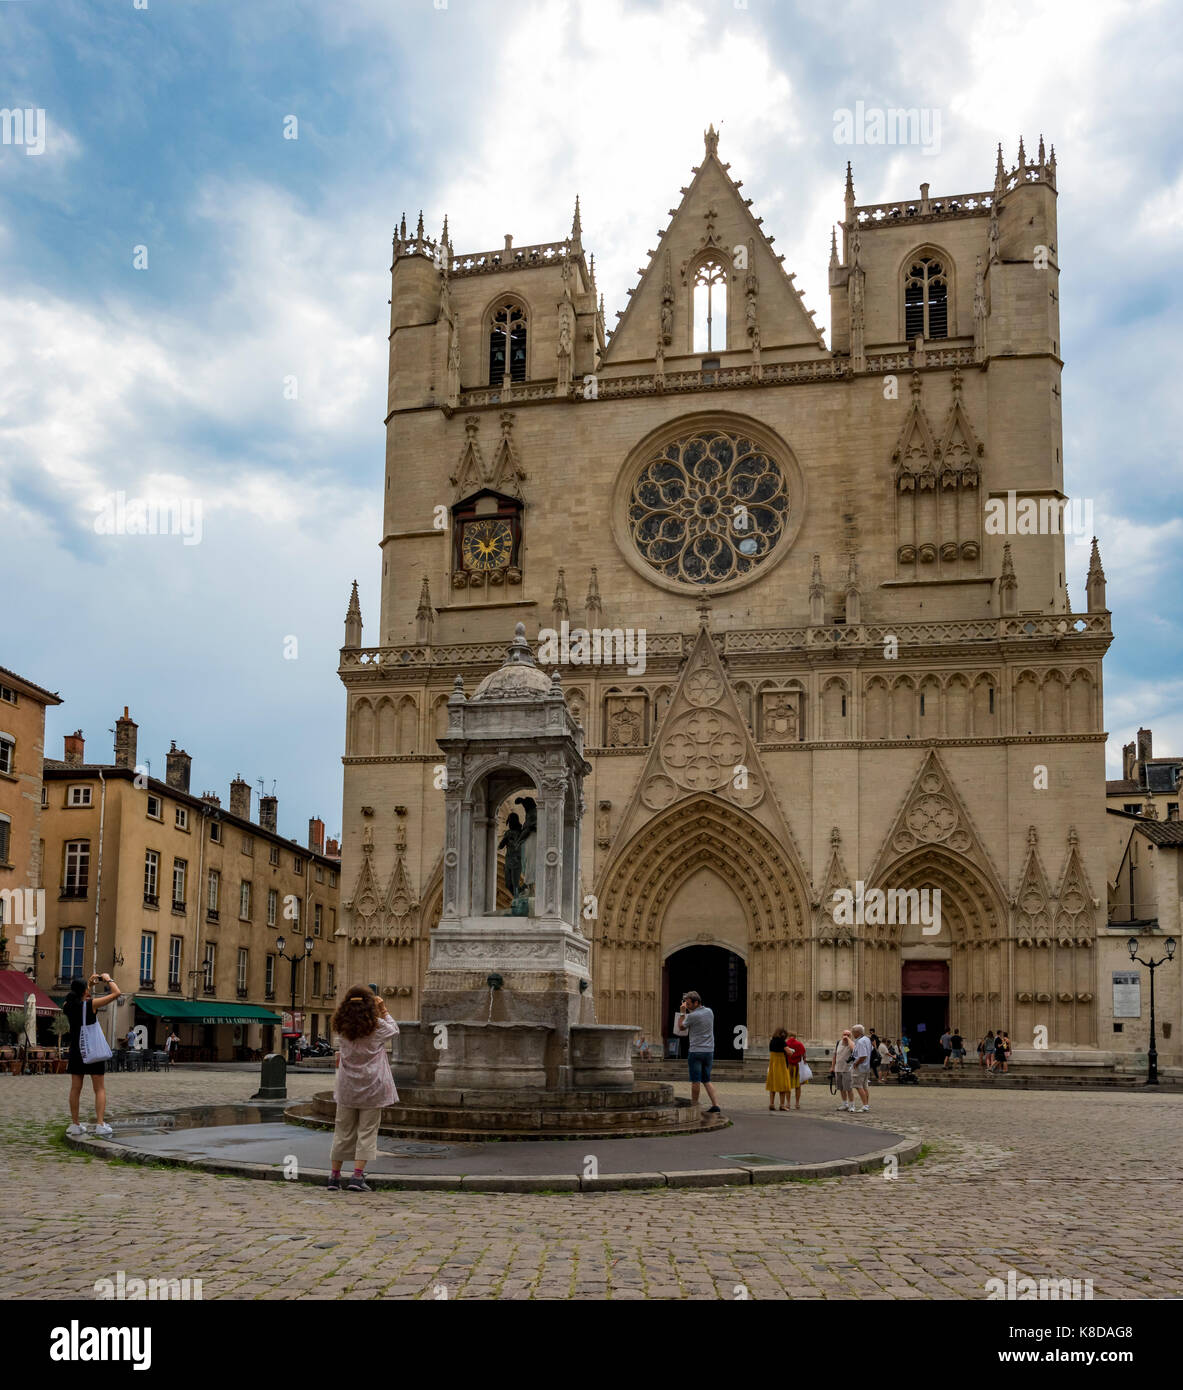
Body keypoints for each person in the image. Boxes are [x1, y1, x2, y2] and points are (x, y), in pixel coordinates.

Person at [328, 985, 399, 1193]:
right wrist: (383, 1009)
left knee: (342, 1132)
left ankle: (334, 1177)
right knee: (367, 1132)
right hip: (372, 1087)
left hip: (347, 1086)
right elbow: (394, 1029)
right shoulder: (376, 1026)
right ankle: (357, 1178)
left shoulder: (340, 1025)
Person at [63, 973, 121, 1137]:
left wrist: (88, 985)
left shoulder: (67, 1006)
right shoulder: (91, 1005)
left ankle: (75, 1124)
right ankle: (100, 1124)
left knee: (75, 1088)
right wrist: (108, 979)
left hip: (76, 1051)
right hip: (92, 1050)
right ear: (84, 993)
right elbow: (117, 993)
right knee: (99, 1088)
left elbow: (77, 997)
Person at [674, 991, 721, 1114]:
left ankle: (694, 1106)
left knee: (695, 1080)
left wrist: (682, 1013)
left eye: (689, 1004)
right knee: (706, 1079)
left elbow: (681, 1027)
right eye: (686, 1004)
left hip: (696, 1052)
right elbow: (697, 1019)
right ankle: (716, 1105)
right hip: (709, 1051)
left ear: (696, 1002)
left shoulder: (692, 1016)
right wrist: (688, 1012)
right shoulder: (709, 1012)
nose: (688, 1006)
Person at [765, 1027, 792, 1111]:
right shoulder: (782, 1042)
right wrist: (791, 1052)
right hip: (781, 1065)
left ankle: (772, 1104)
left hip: (773, 1065)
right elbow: (789, 1052)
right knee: (782, 1085)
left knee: (773, 1085)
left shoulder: (772, 1041)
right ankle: (782, 1105)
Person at [831, 1029, 855, 1112]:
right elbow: (834, 1056)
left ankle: (852, 1105)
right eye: (844, 1034)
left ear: (850, 1036)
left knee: (849, 1088)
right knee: (841, 1088)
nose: (845, 1036)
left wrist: (848, 1039)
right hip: (838, 1069)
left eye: (848, 1035)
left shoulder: (851, 1043)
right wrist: (832, 1067)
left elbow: (853, 1049)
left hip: (847, 1069)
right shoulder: (838, 1043)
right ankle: (844, 1104)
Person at [850, 1023, 873, 1112]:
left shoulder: (860, 1041)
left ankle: (865, 1105)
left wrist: (856, 1064)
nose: (852, 1034)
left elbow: (863, 1056)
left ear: (857, 1032)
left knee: (858, 1086)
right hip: (866, 1067)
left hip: (860, 1067)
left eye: (853, 1032)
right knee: (864, 1086)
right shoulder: (867, 1039)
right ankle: (866, 1104)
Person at [784, 1029, 806, 1108]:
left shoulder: (786, 1043)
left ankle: (788, 1103)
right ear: (795, 1036)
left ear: (789, 1036)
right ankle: (797, 1103)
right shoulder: (799, 1044)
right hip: (797, 1067)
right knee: (798, 1086)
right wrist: (804, 1060)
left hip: (788, 1066)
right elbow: (803, 1053)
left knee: (788, 1085)